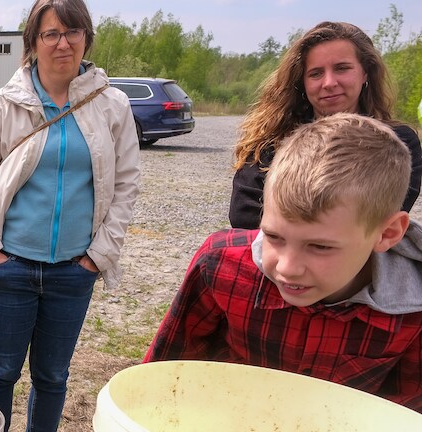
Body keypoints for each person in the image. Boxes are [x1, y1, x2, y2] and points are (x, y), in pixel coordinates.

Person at [149, 113, 422, 411]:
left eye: (319, 246)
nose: (287, 268)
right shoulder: (219, 266)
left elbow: (407, 423)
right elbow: (161, 378)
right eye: (274, 236)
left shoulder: (414, 313)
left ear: (388, 233)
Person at [0, 0, 138, 432]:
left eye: (73, 31)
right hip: (11, 268)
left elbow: (125, 186)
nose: (63, 43)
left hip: (72, 272)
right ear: (33, 42)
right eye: (51, 34)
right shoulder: (5, 104)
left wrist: (97, 258)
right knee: (0, 372)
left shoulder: (111, 105)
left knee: (53, 375)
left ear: (86, 38)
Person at [230, 21, 422, 229]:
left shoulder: (397, 143)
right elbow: (244, 217)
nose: (329, 82)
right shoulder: (271, 140)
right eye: (316, 73)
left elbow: (378, 222)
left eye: (342, 68)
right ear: (302, 80)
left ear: (365, 72)